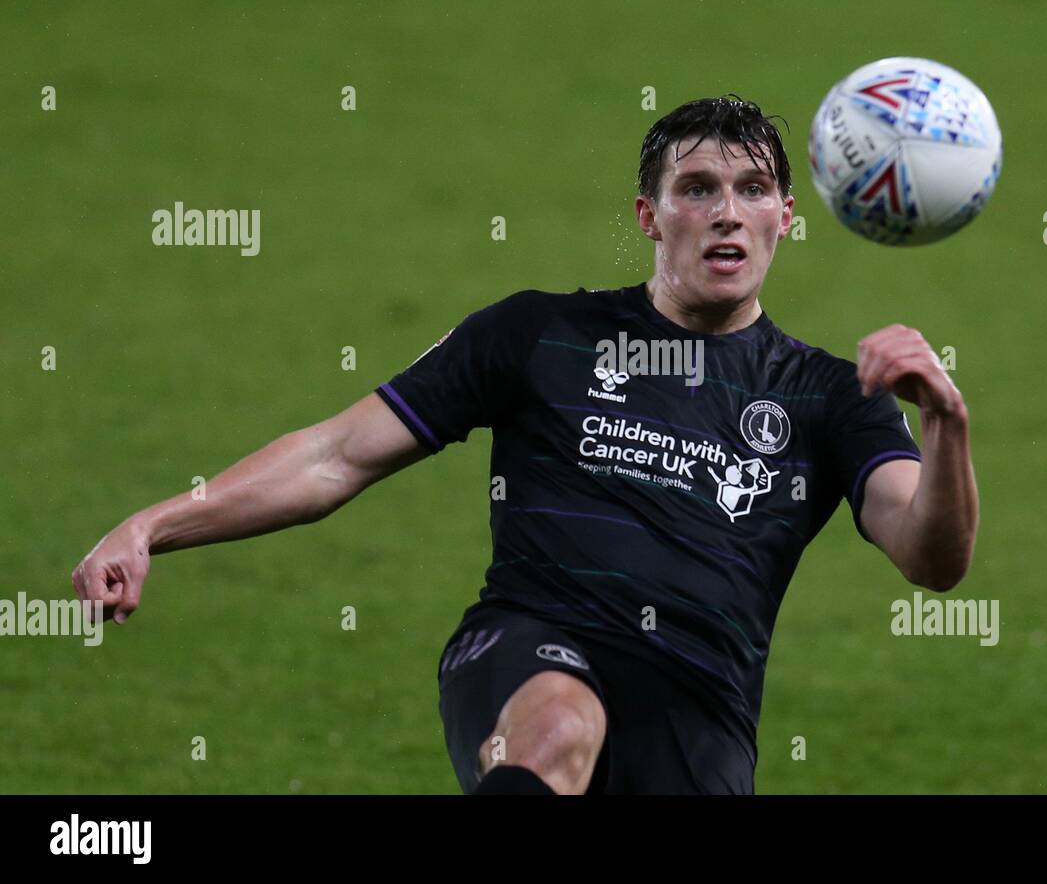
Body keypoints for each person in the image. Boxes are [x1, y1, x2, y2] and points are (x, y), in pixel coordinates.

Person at [72, 95, 978, 794]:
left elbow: (931, 559)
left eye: (750, 192)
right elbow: (334, 456)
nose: (725, 214)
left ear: (787, 215)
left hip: (700, 710)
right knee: (557, 729)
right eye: (696, 190)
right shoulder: (538, 335)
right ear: (649, 216)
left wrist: (944, 426)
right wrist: (152, 525)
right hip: (530, 646)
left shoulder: (828, 394)